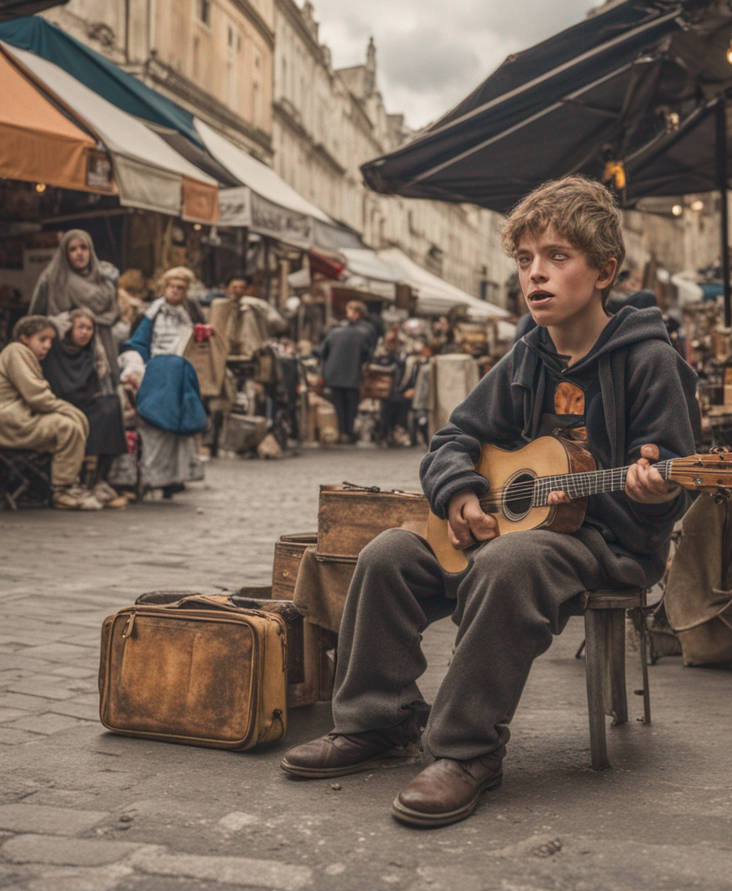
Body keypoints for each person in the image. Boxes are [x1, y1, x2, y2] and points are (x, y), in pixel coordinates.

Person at [280, 176, 700, 827]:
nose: (536, 274)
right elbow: (454, 439)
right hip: (516, 533)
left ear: (604, 270)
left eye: (557, 257)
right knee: (388, 553)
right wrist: (461, 491)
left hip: (608, 545)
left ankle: (467, 752)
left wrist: (659, 489)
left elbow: (667, 487)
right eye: (526, 259)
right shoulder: (526, 356)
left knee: (512, 563)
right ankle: (376, 722)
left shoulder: (649, 362)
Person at [117, 267, 206, 498]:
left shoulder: (191, 312)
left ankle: (177, 476)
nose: (175, 291)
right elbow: (138, 343)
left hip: (182, 373)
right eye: (172, 286)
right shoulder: (151, 313)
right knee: (157, 421)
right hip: (157, 372)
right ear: (165, 287)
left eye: (180, 288)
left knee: (183, 423)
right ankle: (155, 476)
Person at [0, 315, 101, 510]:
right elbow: (37, 396)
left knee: (67, 425)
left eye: (50, 341)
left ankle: (64, 483)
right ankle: (63, 490)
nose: (47, 346)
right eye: (42, 340)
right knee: (67, 427)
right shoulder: (17, 351)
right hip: (10, 420)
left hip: (17, 417)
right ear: (24, 338)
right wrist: (73, 413)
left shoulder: (22, 354)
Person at [41, 308, 128, 506]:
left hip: (84, 401)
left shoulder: (91, 352)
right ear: (70, 328)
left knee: (111, 406)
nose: (85, 333)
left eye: (89, 328)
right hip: (60, 402)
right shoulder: (56, 350)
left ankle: (100, 477)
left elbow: (94, 385)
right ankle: (80, 479)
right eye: (80, 327)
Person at [30, 230, 120, 389]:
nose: (79, 253)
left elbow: (114, 313)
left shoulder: (103, 277)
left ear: (90, 250)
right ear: (65, 253)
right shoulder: (53, 278)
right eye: (73, 249)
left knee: (104, 399)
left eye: (83, 248)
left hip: (103, 345)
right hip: (68, 353)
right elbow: (35, 319)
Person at [318, 300, 374, 443]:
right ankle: (348, 432)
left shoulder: (335, 331)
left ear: (356, 313)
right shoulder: (366, 331)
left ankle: (341, 431)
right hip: (353, 375)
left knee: (338, 405)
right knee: (351, 405)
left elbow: (322, 352)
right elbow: (368, 355)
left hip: (333, 374)